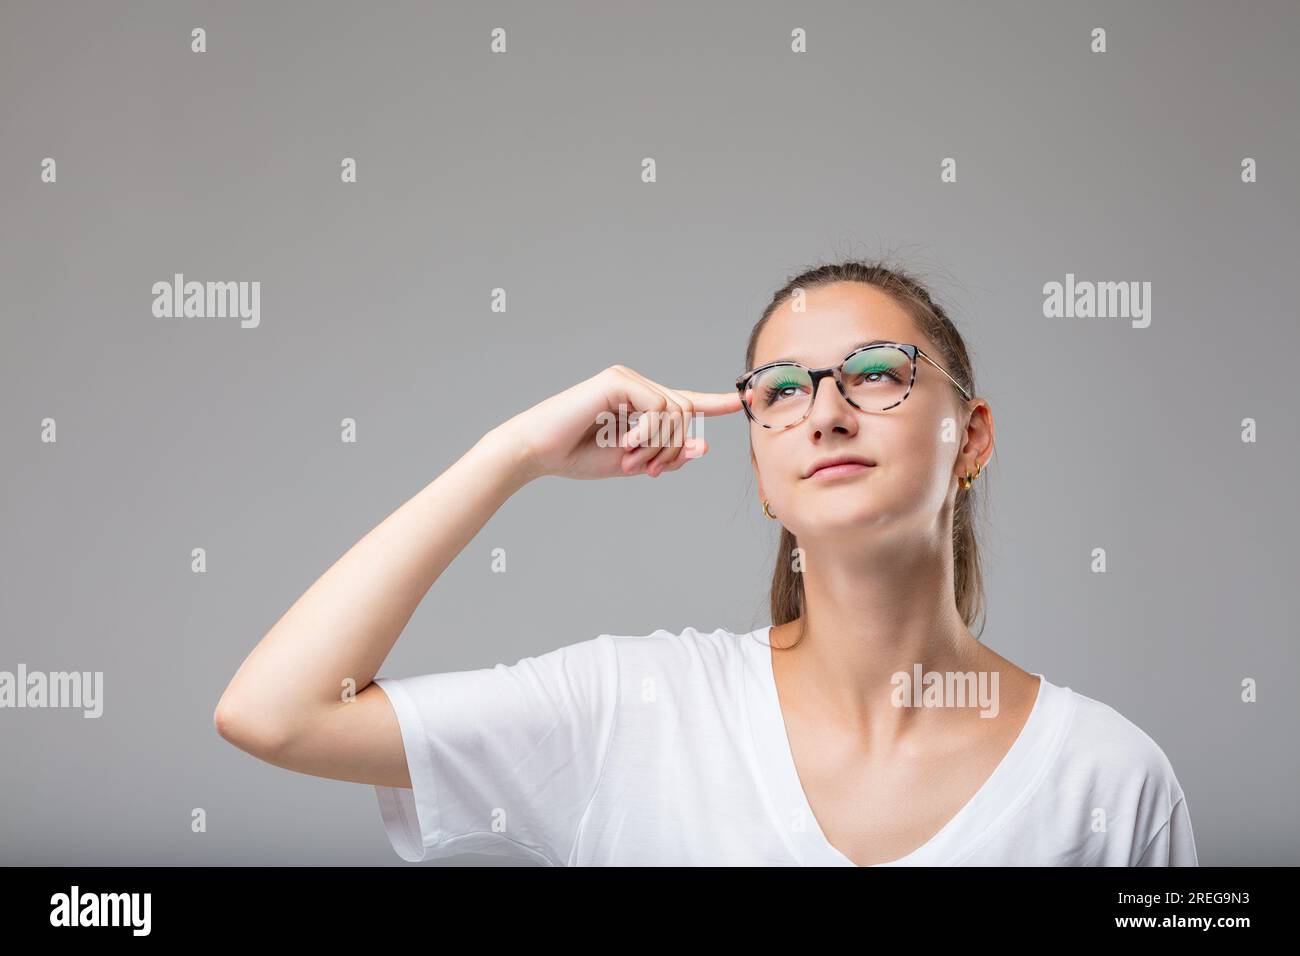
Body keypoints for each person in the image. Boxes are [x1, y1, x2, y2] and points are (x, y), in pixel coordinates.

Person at [214, 258, 1197, 867]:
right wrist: (510, 454)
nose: (826, 409)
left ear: (970, 437)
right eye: (782, 389)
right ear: (764, 469)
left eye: (876, 374)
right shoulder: (633, 710)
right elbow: (276, 712)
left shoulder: (1105, 777)